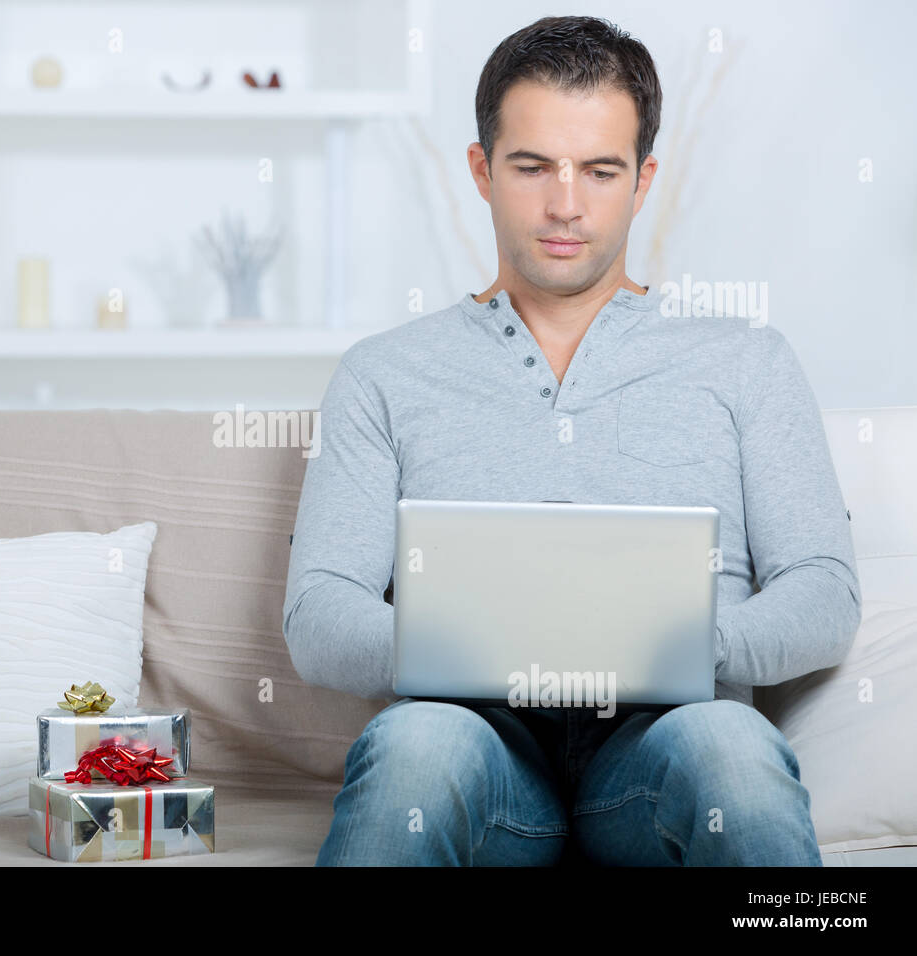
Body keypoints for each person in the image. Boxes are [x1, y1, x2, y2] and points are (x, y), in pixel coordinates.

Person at [282, 15, 861, 866]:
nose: (565, 204)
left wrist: (673, 649)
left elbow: (824, 590)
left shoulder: (748, 361)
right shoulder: (383, 374)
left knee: (731, 749)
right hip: (477, 749)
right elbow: (317, 613)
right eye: (532, 167)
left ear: (642, 178)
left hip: (667, 751)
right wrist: (490, 649)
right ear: (481, 171)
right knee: (415, 746)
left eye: (599, 170)